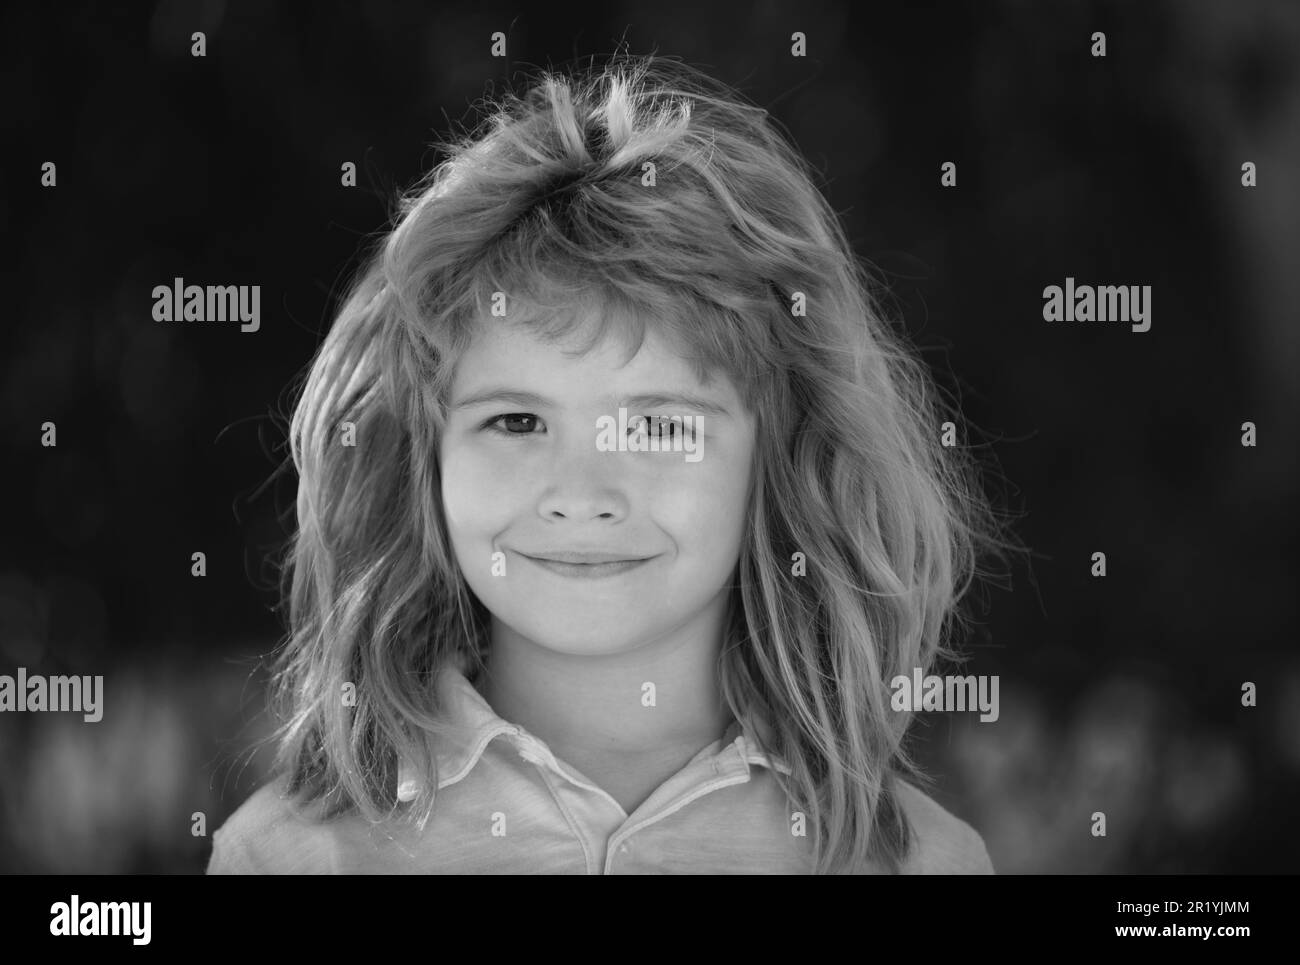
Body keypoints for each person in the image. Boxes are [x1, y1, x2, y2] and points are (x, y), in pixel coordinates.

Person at [208, 52, 1017, 874]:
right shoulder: (289, 857)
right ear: (427, 457)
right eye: (517, 419)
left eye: (661, 426)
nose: (582, 496)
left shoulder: (921, 863)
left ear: (781, 453)